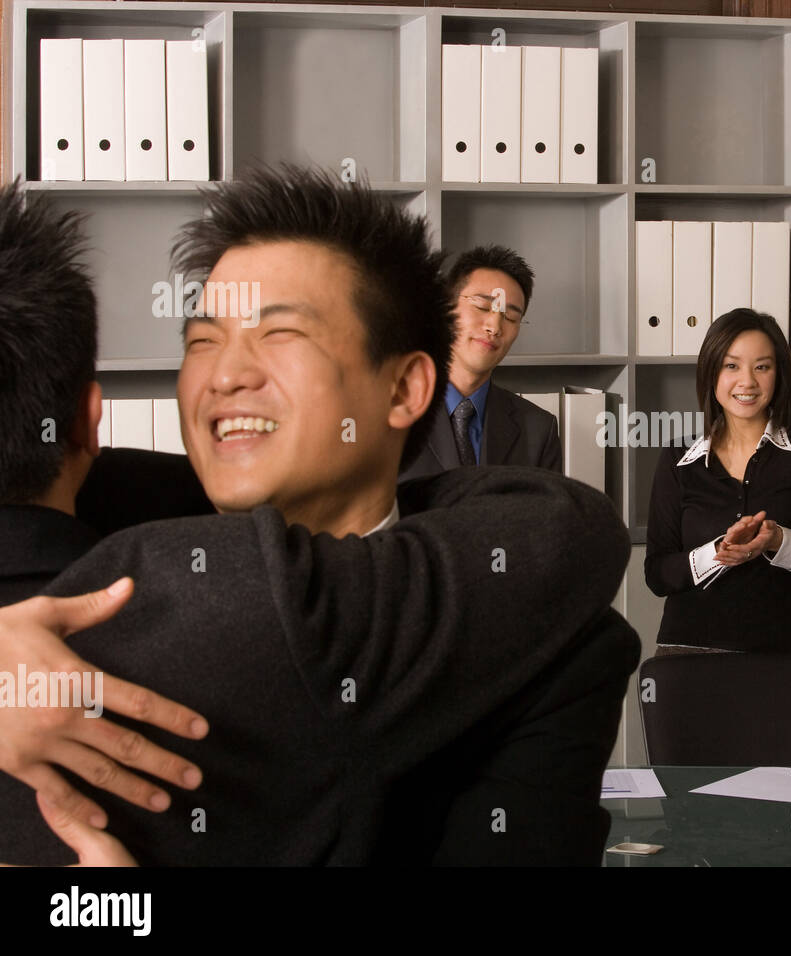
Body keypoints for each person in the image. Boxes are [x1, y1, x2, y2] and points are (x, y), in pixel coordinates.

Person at [0, 169, 637, 865]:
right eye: (202, 341)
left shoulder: (548, 645)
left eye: (279, 334)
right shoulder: (102, 581)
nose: (223, 376)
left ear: (403, 387)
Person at [644, 308, 791, 654]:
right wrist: (719, 552)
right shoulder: (679, 457)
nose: (747, 382)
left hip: (779, 655)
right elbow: (657, 575)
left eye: (762, 367)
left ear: (779, 374)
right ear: (711, 373)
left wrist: (778, 540)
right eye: (731, 365)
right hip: (687, 656)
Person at [401, 245, 561, 479]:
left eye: (510, 316)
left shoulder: (538, 429)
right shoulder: (389, 413)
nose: (494, 327)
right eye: (482, 306)